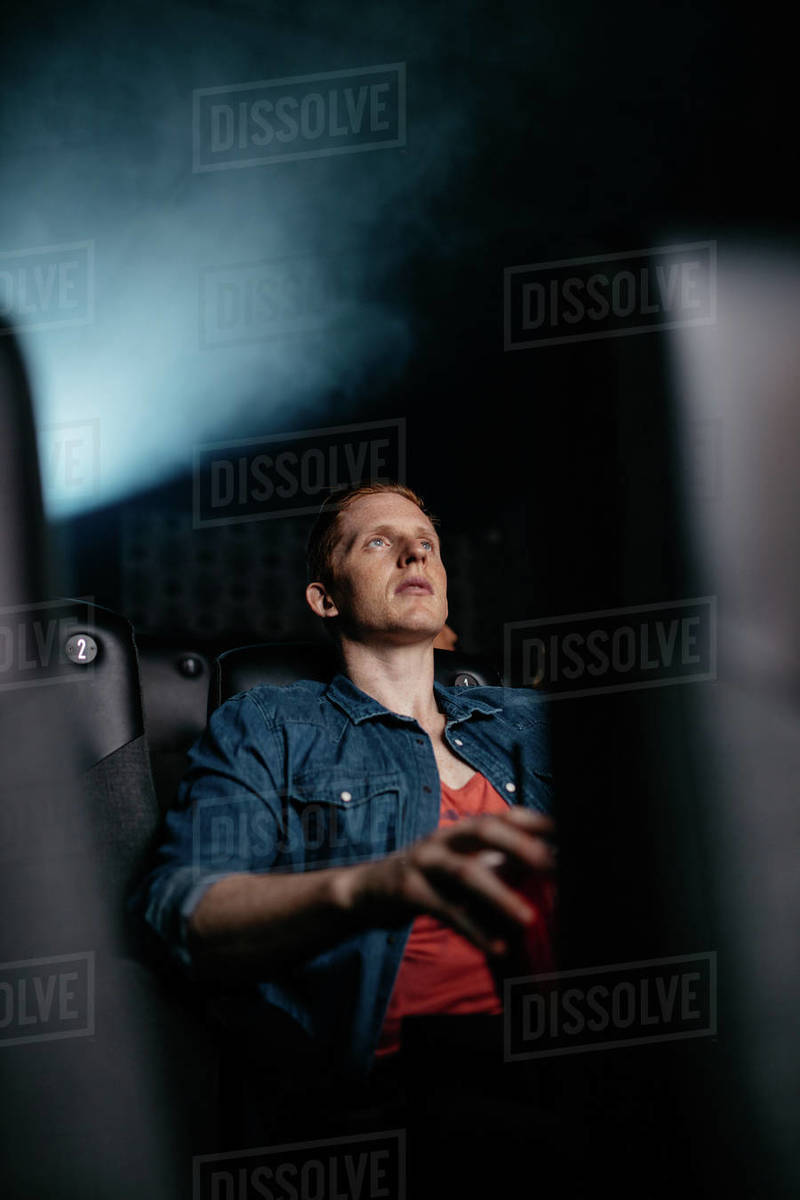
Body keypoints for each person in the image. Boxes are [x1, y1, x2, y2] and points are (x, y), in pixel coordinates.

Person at [130, 482, 556, 1173]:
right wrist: (372, 887)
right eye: (379, 542)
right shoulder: (272, 724)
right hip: (414, 1093)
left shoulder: (530, 719)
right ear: (325, 598)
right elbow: (178, 909)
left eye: (428, 543)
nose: (416, 552)